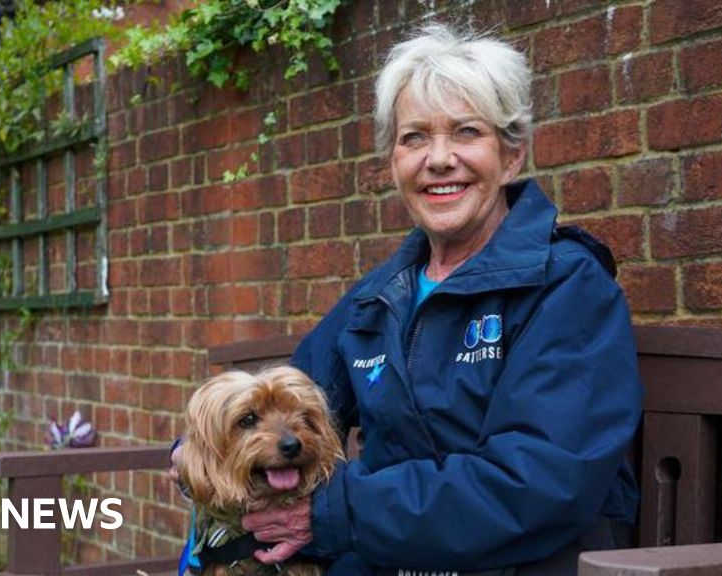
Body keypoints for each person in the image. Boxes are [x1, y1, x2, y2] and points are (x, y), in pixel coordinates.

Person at [178, 23, 643, 575]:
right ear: (392, 163)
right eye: (415, 137)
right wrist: (195, 449)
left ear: (512, 155)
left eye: (466, 132)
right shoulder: (378, 300)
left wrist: (338, 512)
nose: (439, 158)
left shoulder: (567, 287)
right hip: (391, 558)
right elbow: (280, 396)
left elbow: (539, 482)